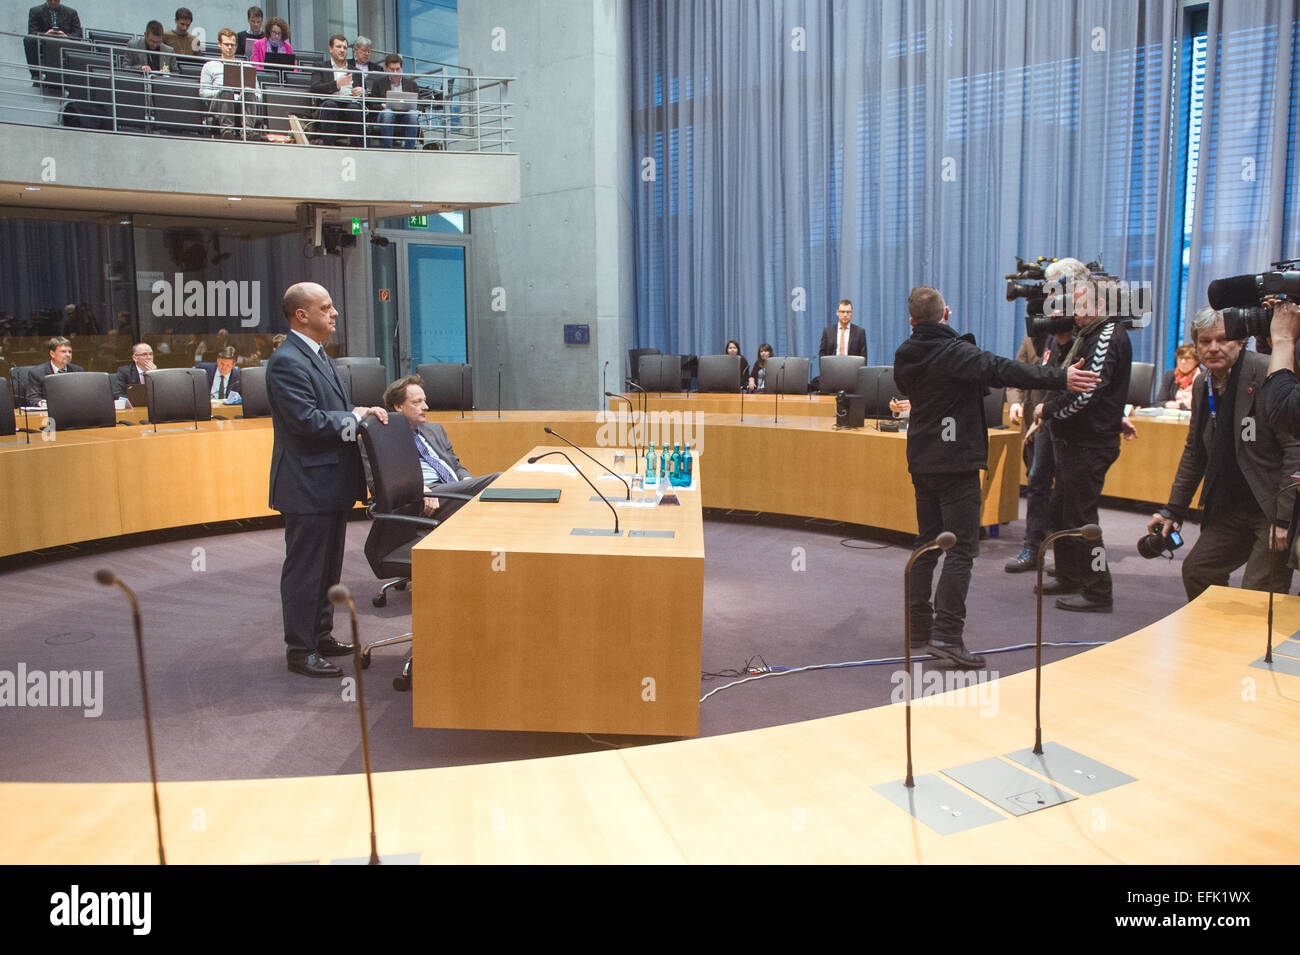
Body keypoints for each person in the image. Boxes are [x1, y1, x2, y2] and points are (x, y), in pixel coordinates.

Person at [894, 286, 1099, 668]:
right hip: (955, 463)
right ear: (947, 313)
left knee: (926, 543)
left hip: (922, 460)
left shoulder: (905, 354)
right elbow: (1008, 370)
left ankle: (919, 626)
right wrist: (1062, 378)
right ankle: (948, 636)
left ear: (911, 321)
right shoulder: (957, 354)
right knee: (961, 549)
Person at [265, 282, 388, 678]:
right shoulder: (288, 360)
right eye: (326, 307)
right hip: (307, 485)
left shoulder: (315, 354)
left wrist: (357, 410)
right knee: (306, 570)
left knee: (327, 567)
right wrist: (356, 418)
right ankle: (300, 650)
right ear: (302, 315)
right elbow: (306, 422)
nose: (334, 313)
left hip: (328, 482)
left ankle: (319, 634)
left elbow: (329, 411)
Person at [1146, 307, 1299, 600]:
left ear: (1241, 343)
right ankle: (1219, 640)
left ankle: (1254, 645)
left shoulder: (1269, 373)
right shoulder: (1203, 383)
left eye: (1223, 340)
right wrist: (1172, 511)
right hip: (1231, 507)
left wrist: (1285, 520)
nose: (1213, 348)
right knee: (1198, 571)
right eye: (1205, 341)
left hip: (1272, 508)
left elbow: (1295, 449)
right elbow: (1195, 453)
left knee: (1259, 592)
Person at [1035, 259, 1133, 613]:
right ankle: (1069, 574)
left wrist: (1048, 412)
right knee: (1062, 513)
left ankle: (1097, 589)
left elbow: (1087, 393)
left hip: (1089, 443)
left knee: (1083, 521)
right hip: (1075, 440)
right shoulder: (1088, 333)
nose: (1073, 313)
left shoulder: (1107, 334)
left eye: (1079, 306)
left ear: (1100, 304)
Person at [200, 28, 264, 137]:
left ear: (236, 46)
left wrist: (243, 93)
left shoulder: (247, 67)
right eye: (226, 44)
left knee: (248, 91)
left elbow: (258, 94)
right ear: (219, 44)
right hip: (219, 103)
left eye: (232, 45)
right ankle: (227, 131)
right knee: (226, 90)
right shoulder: (209, 66)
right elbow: (203, 93)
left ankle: (248, 131)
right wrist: (218, 92)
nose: (230, 47)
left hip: (241, 102)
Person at [311, 35, 365, 146]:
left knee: (354, 109)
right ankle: (329, 147)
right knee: (331, 105)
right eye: (338, 47)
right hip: (329, 103)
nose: (342, 50)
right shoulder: (320, 66)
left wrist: (361, 91)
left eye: (345, 48)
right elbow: (315, 87)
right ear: (330, 49)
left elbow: (364, 92)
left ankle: (358, 149)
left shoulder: (355, 71)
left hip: (349, 103)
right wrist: (336, 84)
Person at [25, 0, 82, 89]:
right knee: (29, 40)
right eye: (50, 0)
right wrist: (45, 35)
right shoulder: (35, 11)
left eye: (55, 0)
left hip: (64, 42)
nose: (52, 2)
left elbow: (78, 34)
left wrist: (65, 36)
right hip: (44, 42)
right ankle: (36, 75)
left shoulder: (71, 12)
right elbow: (32, 32)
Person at [367, 54, 420, 148]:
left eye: (398, 69)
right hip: (385, 115)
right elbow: (372, 104)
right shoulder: (378, 83)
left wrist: (416, 109)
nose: (395, 72)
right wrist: (383, 105)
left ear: (402, 68)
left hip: (405, 115)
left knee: (413, 114)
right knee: (388, 112)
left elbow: (420, 104)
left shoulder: (411, 84)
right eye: (392, 69)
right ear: (386, 68)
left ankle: (410, 149)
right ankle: (388, 148)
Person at [25, 335, 85, 406]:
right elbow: (32, 397)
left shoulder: (78, 371)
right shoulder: (37, 373)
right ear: (52, 354)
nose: (68, 354)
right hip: (48, 413)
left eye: (70, 352)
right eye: (63, 351)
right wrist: (43, 403)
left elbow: (83, 394)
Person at [1155, 343, 1201, 410]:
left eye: (1187, 358)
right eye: (1180, 358)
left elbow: (1202, 406)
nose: (1183, 362)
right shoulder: (1170, 375)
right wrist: (1168, 404)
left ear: (1196, 361)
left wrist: (1180, 405)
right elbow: (1159, 402)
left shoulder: (1202, 377)